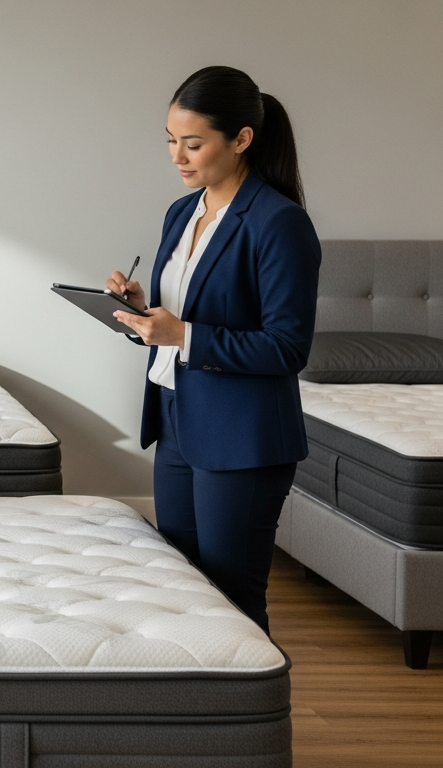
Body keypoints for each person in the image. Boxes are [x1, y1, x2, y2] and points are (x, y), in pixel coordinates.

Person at [106, 66, 320, 633]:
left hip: (241, 437)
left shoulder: (279, 223)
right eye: (171, 140)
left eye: (193, 143)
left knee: (233, 597)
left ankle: (263, 694)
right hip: (177, 419)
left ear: (242, 138)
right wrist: (142, 310)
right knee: (183, 588)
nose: (177, 156)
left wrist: (183, 335)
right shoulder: (182, 213)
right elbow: (188, 314)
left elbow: (287, 347)